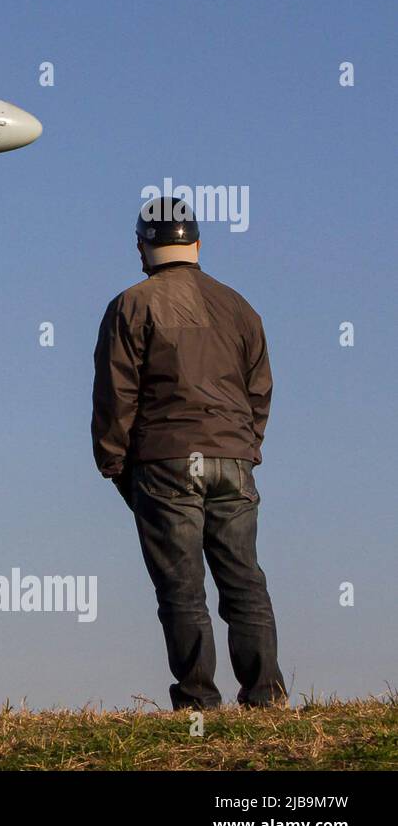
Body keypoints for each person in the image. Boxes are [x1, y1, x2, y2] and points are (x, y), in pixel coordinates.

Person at [92, 197, 285, 710]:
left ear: (141, 247)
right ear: (197, 242)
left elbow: (117, 393)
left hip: (165, 459)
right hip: (233, 459)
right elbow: (259, 389)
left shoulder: (131, 305)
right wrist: (247, 446)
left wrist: (114, 462)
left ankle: (199, 700)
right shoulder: (239, 306)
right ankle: (266, 695)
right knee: (244, 580)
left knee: (182, 589)